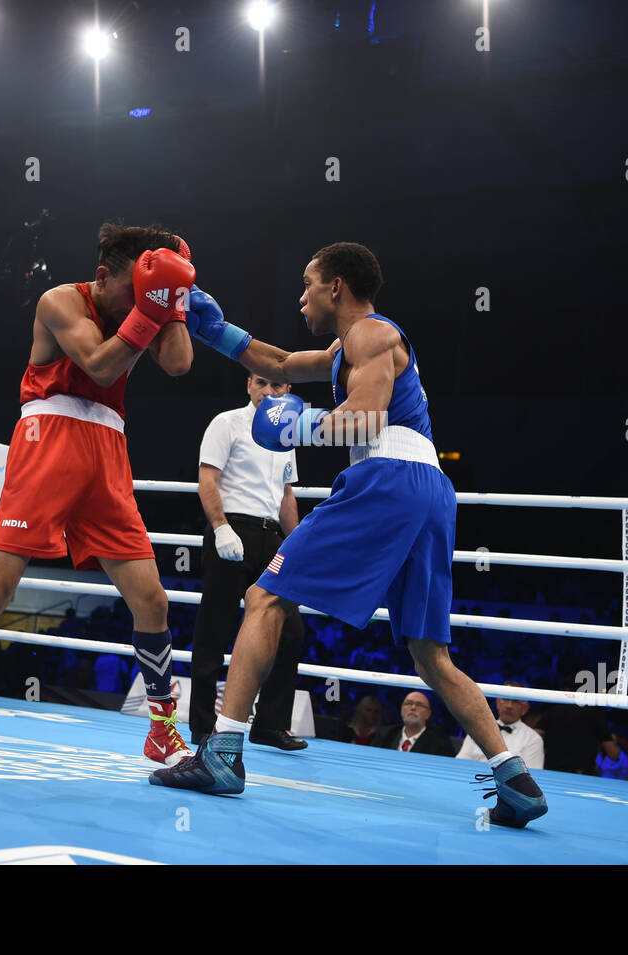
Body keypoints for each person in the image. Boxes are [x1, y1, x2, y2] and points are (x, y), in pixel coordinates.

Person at [150, 241, 547, 828]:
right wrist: (217, 331)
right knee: (430, 654)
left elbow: (364, 418)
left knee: (263, 596)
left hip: (387, 476)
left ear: (336, 286)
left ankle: (223, 754)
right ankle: (515, 780)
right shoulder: (349, 346)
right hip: (429, 489)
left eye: (308, 283)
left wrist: (297, 425)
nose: (300, 294)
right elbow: (282, 365)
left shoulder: (371, 335)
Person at [0, 223, 197, 765]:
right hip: (47, 440)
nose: (136, 304)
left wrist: (168, 304)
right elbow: (100, 365)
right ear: (103, 277)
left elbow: (178, 363)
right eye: (132, 291)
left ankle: (162, 728)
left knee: (151, 598)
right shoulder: (59, 301)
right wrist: (152, 309)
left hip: (108, 448)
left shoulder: (141, 304)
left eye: (145, 295)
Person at [189, 373, 306, 750]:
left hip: (272, 538)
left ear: (287, 391)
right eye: (262, 383)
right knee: (215, 628)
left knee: (290, 629)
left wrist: (298, 545)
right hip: (232, 529)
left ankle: (270, 724)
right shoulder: (226, 423)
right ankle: (203, 725)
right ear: (249, 386)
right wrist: (220, 527)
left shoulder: (285, 435)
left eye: (278, 385)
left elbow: (286, 496)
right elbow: (208, 479)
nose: (269, 390)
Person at [455, 682, 544, 769]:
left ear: (524, 709)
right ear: (497, 703)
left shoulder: (533, 739)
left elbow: (531, 776)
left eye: (516, 702)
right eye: (505, 699)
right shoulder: (478, 729)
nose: (509, 706)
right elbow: (460, 763)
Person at [371, 691, 455, 756]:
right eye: (408, 703)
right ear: (401, 710)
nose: (413, 708)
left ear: (428, 714)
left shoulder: (440, 744)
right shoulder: (384, 735)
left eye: (419, 705)